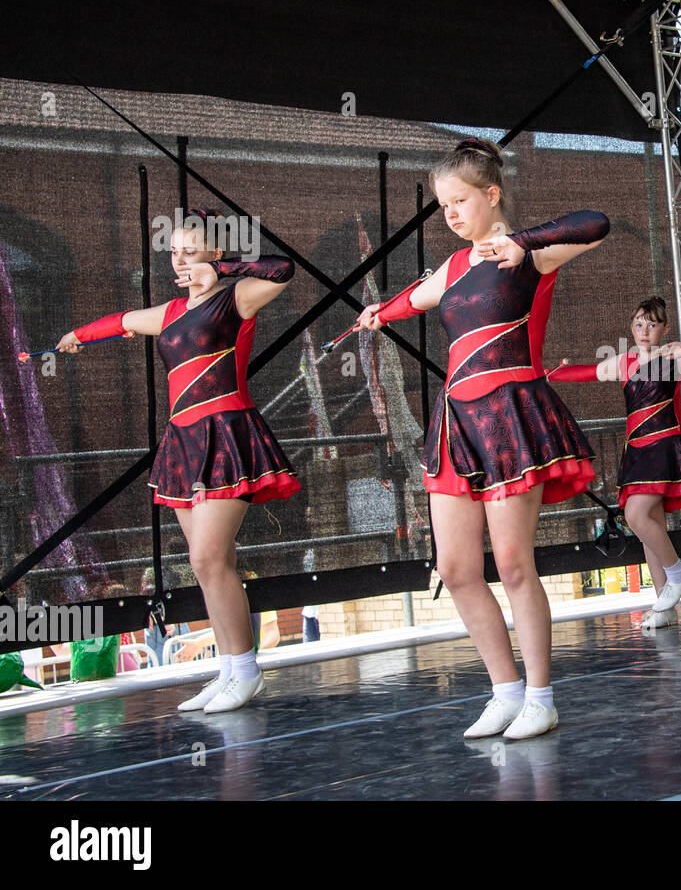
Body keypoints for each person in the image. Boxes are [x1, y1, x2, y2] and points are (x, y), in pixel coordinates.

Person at [357, 138, 609, 741]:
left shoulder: (528, 255)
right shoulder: (452, 267)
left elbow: (595, 223)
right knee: (457, 566)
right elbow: (408, 300)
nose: (450, 213)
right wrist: (378, 315)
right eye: (443, 204)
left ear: (491, 194)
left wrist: (522, 242)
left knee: (515, 565)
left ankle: (541, 696)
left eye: (460, 200)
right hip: (456, 424)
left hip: (507, 414)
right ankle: (504, 691)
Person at [58, 207, 300, 713]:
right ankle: (231, 668)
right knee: (214, 565)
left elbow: (284, 268)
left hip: (227, 432)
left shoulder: (238, 297)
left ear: (214, 251)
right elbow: (122, 321)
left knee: (207, 558)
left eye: (192, 252)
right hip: (184, 440)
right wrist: (80, 335)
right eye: (175, 252)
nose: (181, 261)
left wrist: (225, 271)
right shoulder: (169, 313)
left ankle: (246, 670)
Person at [546, 296, 681, 629]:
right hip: (636, 451)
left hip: (662, 447)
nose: (644, 330)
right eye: (638, 323)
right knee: (651, 528)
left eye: (652, 324)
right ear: (631, 326)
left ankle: (679, 573)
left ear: (664, 328)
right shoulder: (624, 361)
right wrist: (549, 375)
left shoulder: (674, 358)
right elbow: (587, 372)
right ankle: (664, 608)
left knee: (635, 515)